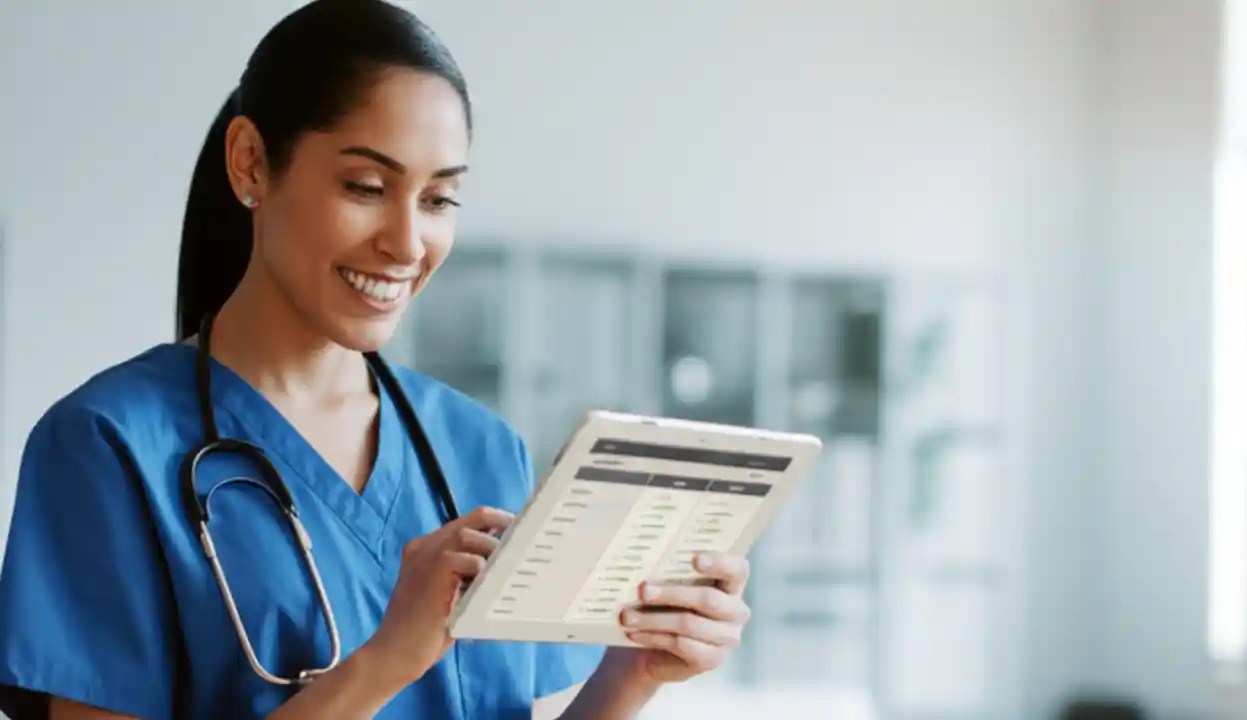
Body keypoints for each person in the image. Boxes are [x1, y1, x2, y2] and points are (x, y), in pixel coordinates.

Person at [0, 1, 754, 718]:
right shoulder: (109, 446)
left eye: (438, 201)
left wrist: (636, 674)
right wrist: (389, 659)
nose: (406, 242)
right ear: (252, 163)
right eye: (366, 187)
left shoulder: (480, 451)